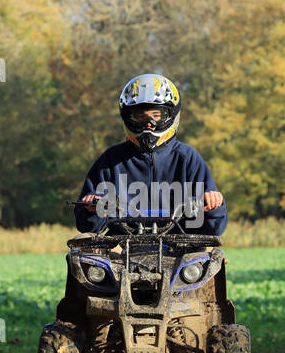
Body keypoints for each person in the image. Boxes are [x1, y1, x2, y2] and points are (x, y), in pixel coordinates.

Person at [74, 73, 227, 235]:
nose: (149, 124)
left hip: (181, 247)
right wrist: (91, 208)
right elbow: (87, 227)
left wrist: (213, 206)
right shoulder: (111, 161)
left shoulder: (187, 158)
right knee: (87, 257)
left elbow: (214, 229)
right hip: (121, 247)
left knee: (206, 257)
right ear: (127, 117)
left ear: (171, 115)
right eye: (140, 116)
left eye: (156, 115)